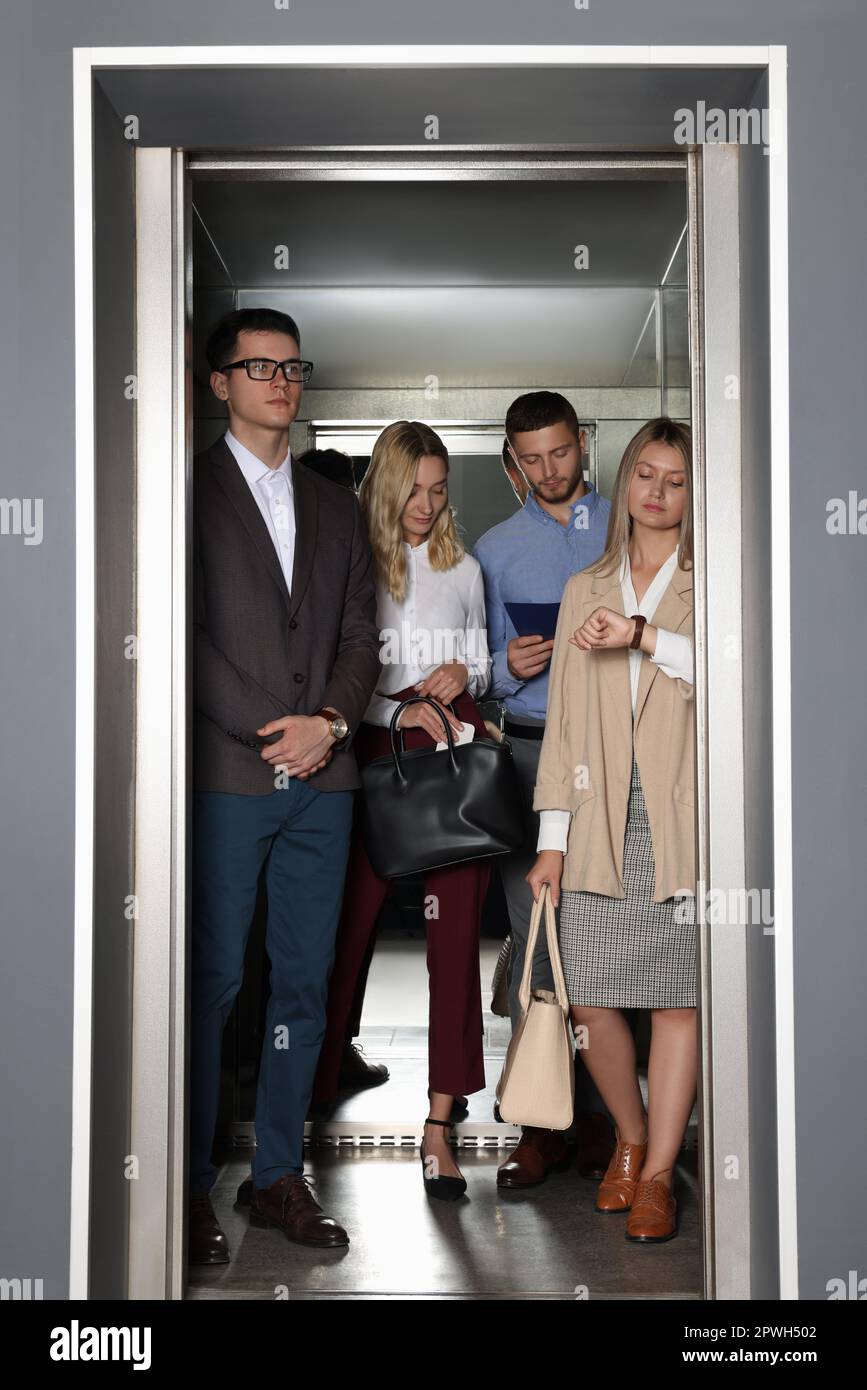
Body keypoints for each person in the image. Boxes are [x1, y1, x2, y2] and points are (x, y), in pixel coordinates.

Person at [189, 307, 380, 1262]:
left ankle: (274, 1178)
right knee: (212, 982)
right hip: (231, 772)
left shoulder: (337, 503)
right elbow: (181, 636)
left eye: (291, 364)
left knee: (303, 983)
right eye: (256, 365)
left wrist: (331, 729)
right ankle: (183, 1185)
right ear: (218, 382)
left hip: (329, 780)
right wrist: (275, 734)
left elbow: (358, 640)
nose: (279, 378)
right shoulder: (182, 489)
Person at [312, 420, 493, 1200]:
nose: (425, 504)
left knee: (453, 948)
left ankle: (439, 1125)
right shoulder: (350, 562)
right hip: (369, 758)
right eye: (412, 488)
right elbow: (329, 672)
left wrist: (463, 672)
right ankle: (309, 1097)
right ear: (383, 485)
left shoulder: (465, 567)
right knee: (339, 934)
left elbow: (483, 662)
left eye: (438, 488)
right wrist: (395, 713)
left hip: (454, 763)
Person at [529, 417, 697, 1242]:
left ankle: (660, 1174)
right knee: (588, 995)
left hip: (684, 824)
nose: (658, 492)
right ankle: (627, 1140)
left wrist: (647, 635)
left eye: (676, 479)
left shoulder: (717, 584)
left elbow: (735, 673)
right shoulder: (581, 591)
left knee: (676, 1000)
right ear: (624, 481)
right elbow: (561, 726)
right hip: (596, 818)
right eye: (646, 475)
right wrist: (549, 842)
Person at [474, 391, 614, 1189]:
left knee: (607, 935)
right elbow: (478, 668)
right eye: (530, 458)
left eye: (558, 453)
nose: (546, 471)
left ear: (581, 445)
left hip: (617, 758)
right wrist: (506, 668)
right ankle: (538, 1123)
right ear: (511, 460)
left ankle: (599, 1119)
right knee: (536, 941)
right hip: (527, 757)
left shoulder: (630, 524)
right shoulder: (493, 549)